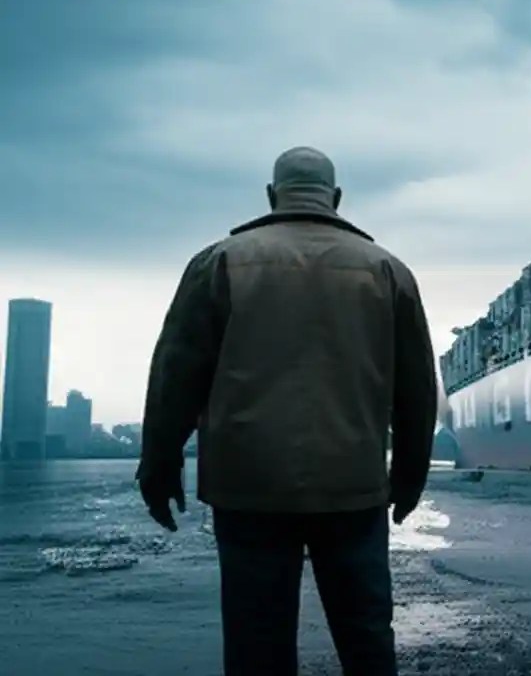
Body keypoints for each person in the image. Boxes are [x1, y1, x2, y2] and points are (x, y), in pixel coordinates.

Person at [135, 146, 437, 676]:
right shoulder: (388, 270)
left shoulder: (219, 262)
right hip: (353, 486)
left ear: (272, 195)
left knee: (257, 644)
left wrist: (159, 463)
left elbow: (175, 376)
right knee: (366, 637)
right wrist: (409, 477)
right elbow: (416, 390)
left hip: (248, 487)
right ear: (336, 198)